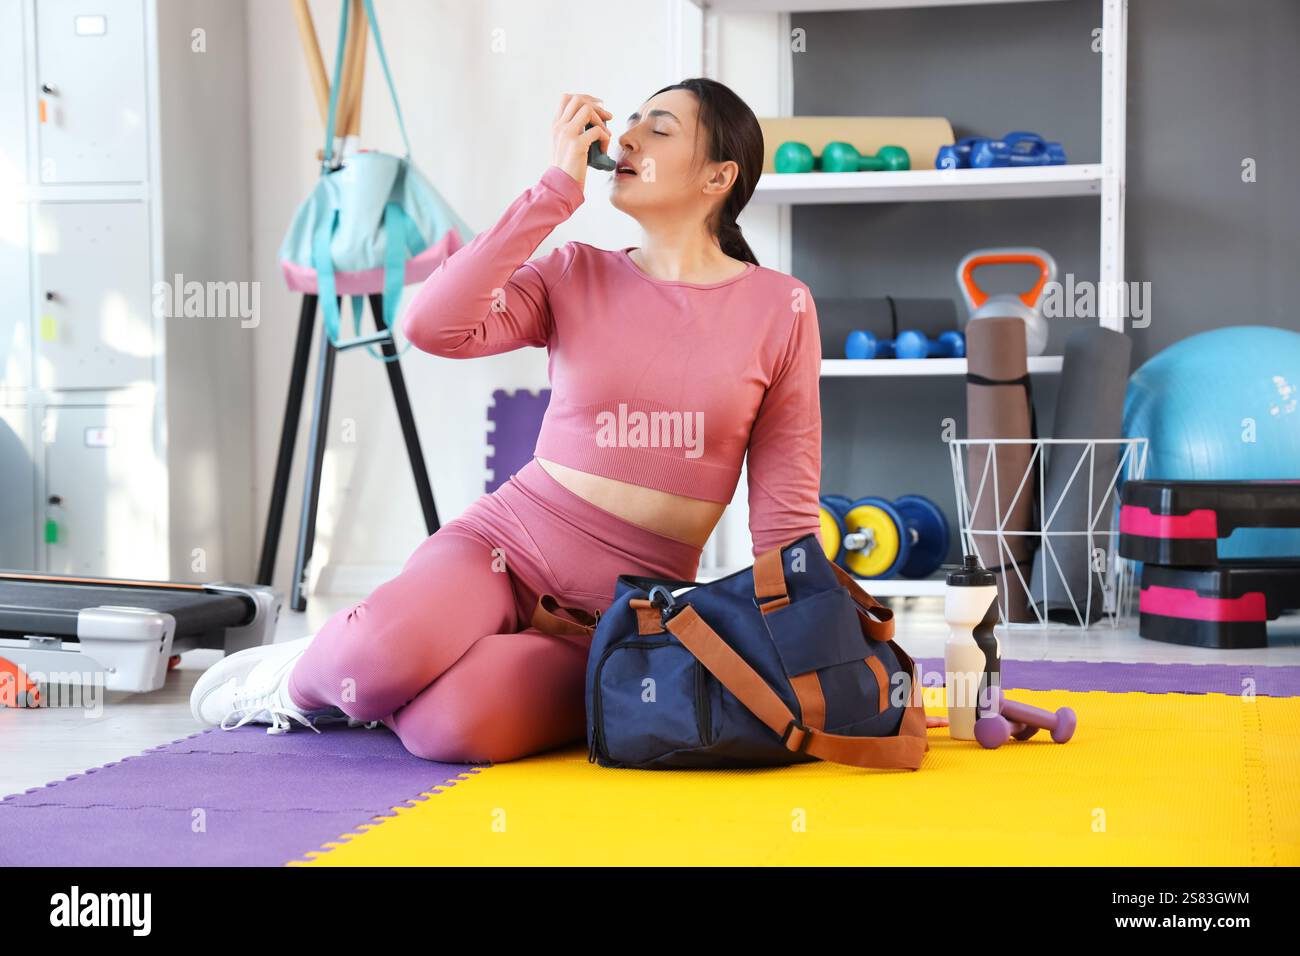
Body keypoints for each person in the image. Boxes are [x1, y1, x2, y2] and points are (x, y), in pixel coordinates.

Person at [191, 79, 824, 763]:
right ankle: (302, 679)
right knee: (371, 661)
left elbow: (783, 508)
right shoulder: (572, 271)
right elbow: (432, 325)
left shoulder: (779, 307)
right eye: (631, 120)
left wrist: (820, 652)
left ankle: (386, 675)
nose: (628, 136)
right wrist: (552, 193)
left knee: (452, 730)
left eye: (660, 128)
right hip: (507, 547)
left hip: (619, 615)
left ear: (719, 176)